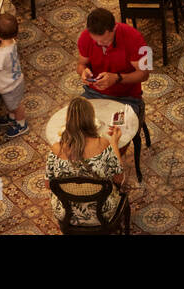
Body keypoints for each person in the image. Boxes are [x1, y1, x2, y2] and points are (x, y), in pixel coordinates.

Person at [46, 96, 125, 227]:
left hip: (66, 214)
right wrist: (114, 143)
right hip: (102, 214)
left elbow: (48, 185)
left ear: (68, 122)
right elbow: (118, 179)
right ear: (91, 121)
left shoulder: (56, 151)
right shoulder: (103, 145)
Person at [76, 8, 152, 117]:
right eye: (96, 40)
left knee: (116, 132)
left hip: (127, 98)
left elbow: (145, 75)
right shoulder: (85, 37)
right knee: (76, 126)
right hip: (93, 93)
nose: (100, 44)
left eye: (105, 40)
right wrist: (83, 72)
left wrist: (117, 78)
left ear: (115, 28)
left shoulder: (135, 38)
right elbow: (80, 65)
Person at [0, 13, 27, 138]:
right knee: (12, 104)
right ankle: (12, 116)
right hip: (15, 80)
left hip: (10, 85)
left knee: (16, 105)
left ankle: (21, 124)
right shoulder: (12, 41)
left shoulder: (2, 53)